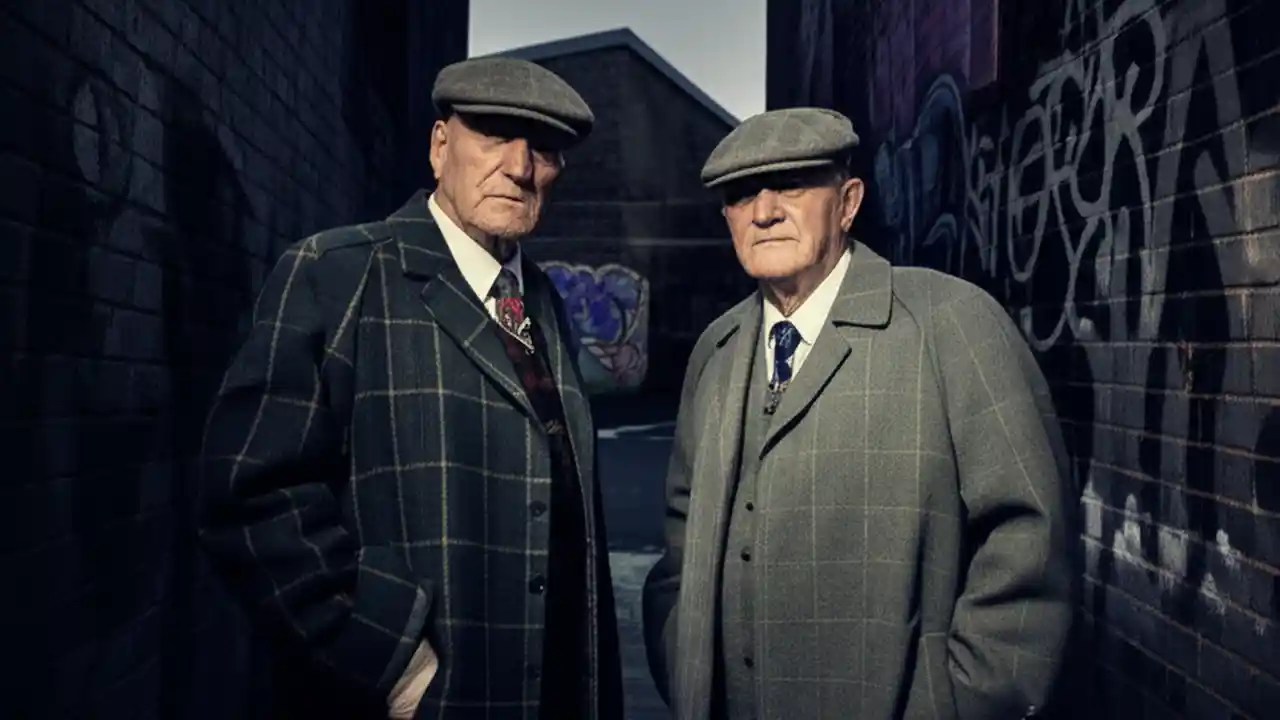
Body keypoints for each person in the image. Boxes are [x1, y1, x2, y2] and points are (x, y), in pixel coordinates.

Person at [199, 56, 623, 719]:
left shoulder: (542, 299)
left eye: (542, 148)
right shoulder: (336, 272)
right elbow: (250, 495)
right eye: (493, 134)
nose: (519, 165)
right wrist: (387, 656)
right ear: (439, 146)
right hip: (423, 697)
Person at [642, 107, 1076, 720]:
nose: (764, 210)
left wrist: (961, 701)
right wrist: (679, 654)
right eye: (742, 195)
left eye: (791, 184)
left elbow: (1031, 534)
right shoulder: (715, 350)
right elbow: (681, 538)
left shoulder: (949, 321)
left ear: (847, 203)